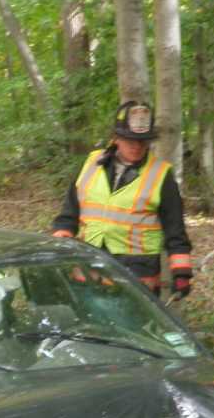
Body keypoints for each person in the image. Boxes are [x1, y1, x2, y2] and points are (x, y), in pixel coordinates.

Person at [50, 101, 193, 299]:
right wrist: (61, 239)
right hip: (88, 267)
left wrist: (181, 272)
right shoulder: (92, 163)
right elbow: (69, 213)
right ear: (116, 138)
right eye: (130, 140)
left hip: (137, 275)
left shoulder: (160, 175)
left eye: (143, 141)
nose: (137, 146)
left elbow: (175, 229)